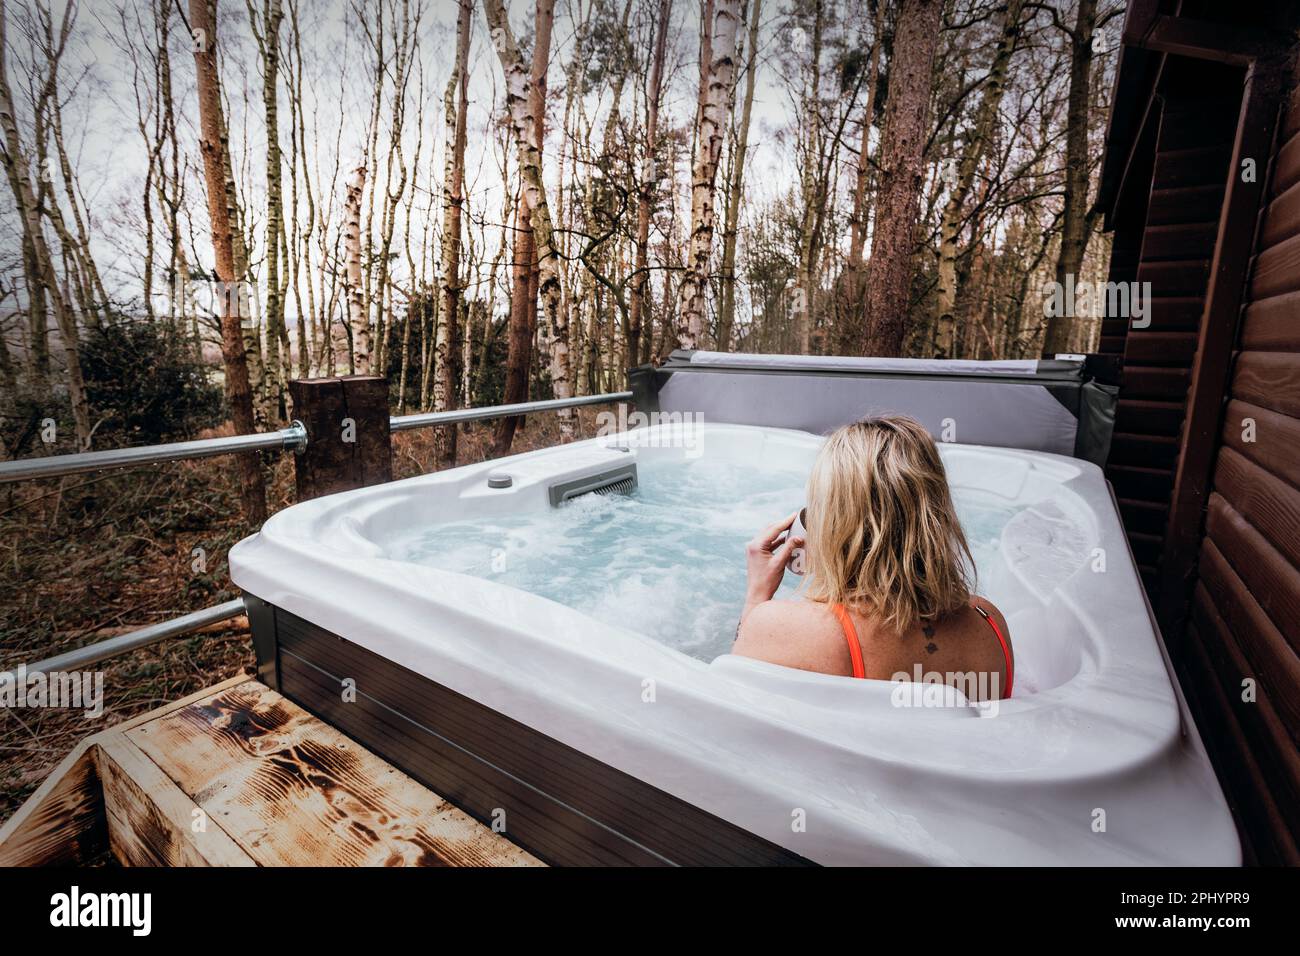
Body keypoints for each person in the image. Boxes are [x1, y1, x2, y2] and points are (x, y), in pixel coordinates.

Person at [733, 415, 1013, 701]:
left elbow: (731, 710)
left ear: (834, 522)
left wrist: (756, 597)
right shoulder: (990, 625)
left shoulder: (786, 628)